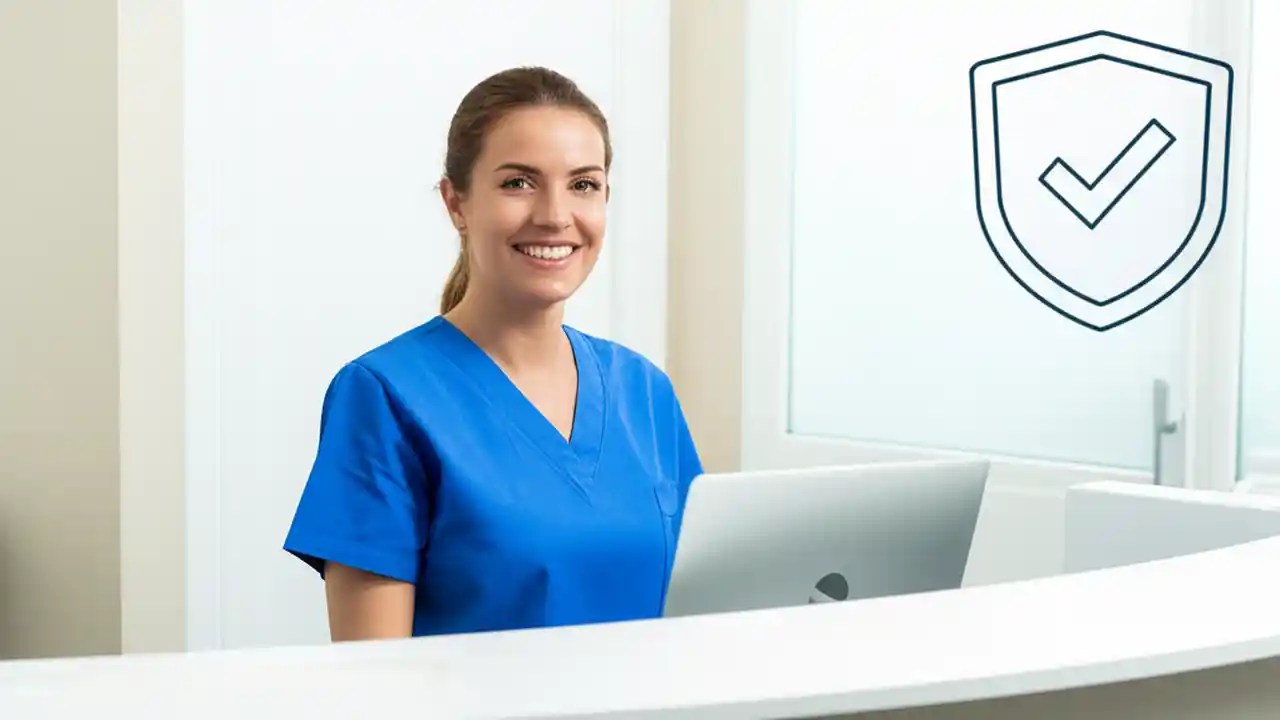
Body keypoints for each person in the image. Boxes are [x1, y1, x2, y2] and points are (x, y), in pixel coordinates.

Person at [283, 66, 703, 641]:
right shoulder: (384, 396)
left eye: (584, 184)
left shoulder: (644, 392)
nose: (556, 215)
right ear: (456, 202)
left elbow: (701, 616)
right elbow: (373, 684)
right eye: (518, 183)